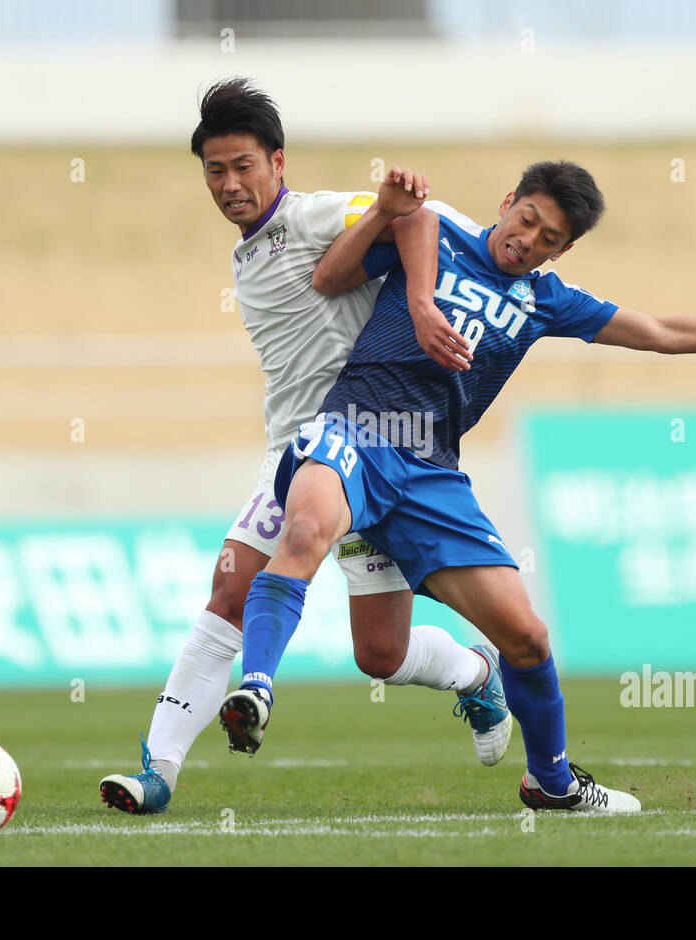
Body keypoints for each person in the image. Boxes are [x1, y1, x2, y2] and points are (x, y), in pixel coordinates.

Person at [219, 159, 696, 812]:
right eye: (527, 219)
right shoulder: (432, 231)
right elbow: (338, 270)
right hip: (356, 430)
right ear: (509, 201)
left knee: (526, 639)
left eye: (549, 238)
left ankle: (552, 781)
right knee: (307, 529)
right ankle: (255, 689)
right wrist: (421, 301)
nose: (528, 239)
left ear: (564, 249)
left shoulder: (547, 300)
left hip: (431, 472)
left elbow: (659, 332)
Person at [98, 79, 512, 815]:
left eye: (244, 166)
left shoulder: (318, 214)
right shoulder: (245, 255)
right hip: (301, 458)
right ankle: (157, 770)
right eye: (215, 171)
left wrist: (420, 302)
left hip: (377, 448)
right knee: (248, 600)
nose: (230, 184)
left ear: (277, 162)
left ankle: (477, 673)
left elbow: (417, 214)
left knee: (376, 652)